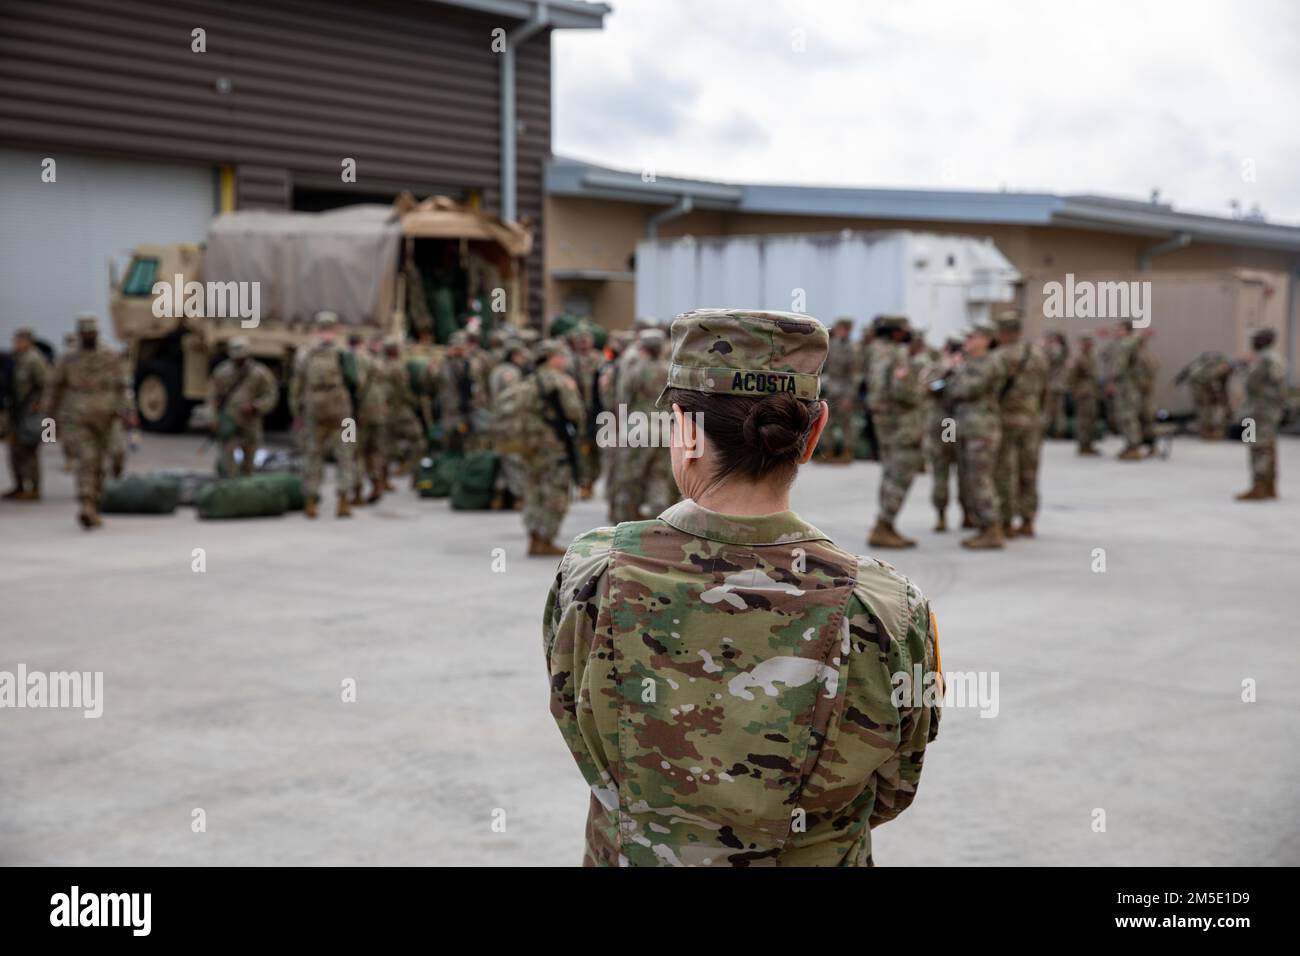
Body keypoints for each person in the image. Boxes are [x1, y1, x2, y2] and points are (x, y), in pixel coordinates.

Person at [544, 308, 940, 867]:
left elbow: (575, 726)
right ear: (815, 432)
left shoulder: (593, 571)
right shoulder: (886, 604)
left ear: (682, 430)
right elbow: (896, 785)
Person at [42, 314, 135, 528]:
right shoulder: (67, 359)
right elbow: (54, 387)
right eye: (85, 333)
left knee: (105, 461)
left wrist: (129, 411)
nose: (88, 336)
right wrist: (49, 418)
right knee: (87, 459)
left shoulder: (110, 356)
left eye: (91, 332)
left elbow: (123, 385)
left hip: (107, 416)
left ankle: (96, 500)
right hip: (78, 416)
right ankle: (87, 503)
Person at [290, 311, 356, 519]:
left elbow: (296, 385)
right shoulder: (344, 353)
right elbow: (356, 381)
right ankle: (343, 500)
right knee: (345, 455)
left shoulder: (305, 353)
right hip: (342, 414)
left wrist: (296, 412)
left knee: (313, 455)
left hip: (315, 411)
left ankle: (311, 500)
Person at [521, 339, 584, 556]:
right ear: (553, 358)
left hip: (532, 445)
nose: (565, 360)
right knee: (556, 491)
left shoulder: (529, 380)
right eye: (562, 356)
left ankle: (534, 536)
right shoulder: (560, 381)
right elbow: (574, 412)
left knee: (534, 489)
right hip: (555, 446)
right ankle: (546, 538)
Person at [866, 316, 924, 548]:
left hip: (882, 420)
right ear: (896, 332)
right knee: (901, 472)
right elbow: (903, 390)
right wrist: (921, 392)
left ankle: (885, 524)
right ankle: (884, 524)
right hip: (901, 422)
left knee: (890, 471)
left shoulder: (874, 350)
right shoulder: (898, 353)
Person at [947, 322, 1006, 549]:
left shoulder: (990, 363)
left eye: (972, 337)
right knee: (971, 479)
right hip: (969, 428)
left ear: (985, 340)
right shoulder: (971, 363)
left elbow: (966, 389)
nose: (967, 341)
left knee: (981, 480)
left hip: (982, 430)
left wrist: (957, 373)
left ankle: (992, 528)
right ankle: (984, 525)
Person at [607, 327, 675, 524]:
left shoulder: (634, 369)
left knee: (629, 479)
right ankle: (659, 522)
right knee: (660, 478)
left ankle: (624, 523)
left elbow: (623, 398)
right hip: (663, 429)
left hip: (638, 428)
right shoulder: (668, 370)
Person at [993, 310, 1049, 538]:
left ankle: (1006, 521)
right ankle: (1028, 520)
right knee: (1029, 471)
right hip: (1032, 420)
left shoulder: (998, 356)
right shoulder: (1037, 355)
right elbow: (1044, 389)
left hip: (1006, 421)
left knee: (1005, 471)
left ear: (1002, 332)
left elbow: (992, 391)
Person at [205, 335, 277, 477]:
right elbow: (212, 397)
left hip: (250, 424)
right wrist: (212, 419)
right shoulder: (222, 372)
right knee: (228, 460)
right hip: (229, 422)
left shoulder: (259, 374)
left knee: (249, 463)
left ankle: (245, 488)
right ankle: (230, 486)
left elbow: (270, 395)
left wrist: (256, 406)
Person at [1235, 328, 1286, 501]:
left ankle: (1259, 487)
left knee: (1256, 447)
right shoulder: (1276, 358)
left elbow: (1251, 383)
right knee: (1268, 447)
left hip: (1257, 411)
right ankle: (1270, 486)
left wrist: (1243, 369)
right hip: (1270, 411)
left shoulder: (1263, 360)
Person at [924, 336, 968, 530]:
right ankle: (941, 515)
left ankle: (968, 514)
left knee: (966, 473)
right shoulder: (938, 368)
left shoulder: (968, 369)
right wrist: (947, 370)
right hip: (944, 425)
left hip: (961, 425)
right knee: (941, 471)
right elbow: (929, 387)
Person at [4, 327, 50, 500]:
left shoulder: (34, 359)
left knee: (30, 450)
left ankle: (34, 488)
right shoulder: (16, 358)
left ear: (28, 341)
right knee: (15, 450)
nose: (16, 343)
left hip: (31, 413)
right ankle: (19, 485)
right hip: (17, 412)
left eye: (20, 340)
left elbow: (46, 384)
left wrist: (40, 406)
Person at [818, 316, 859, 463]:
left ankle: (847, 452)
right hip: (831, 387)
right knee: (828, 421)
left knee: (846, 423)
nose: (842, 332)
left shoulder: (853, 348)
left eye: (845, 329)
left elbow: (855, 375)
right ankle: (828, 451)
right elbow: (825, 366)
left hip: (845, 389)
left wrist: (850, 396)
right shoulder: (832, 345)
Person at [1068, 334, 1101, 456]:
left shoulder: (1092, 355)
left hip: (1091, 391)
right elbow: (1070, 376)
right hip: (1083, 392)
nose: (1089, 344)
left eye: (1090, 341)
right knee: (1083, 420)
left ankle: (1089, 443)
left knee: (1091, 418)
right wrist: (1075, 390)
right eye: (1086, 342)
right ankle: (1083, 444)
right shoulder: (1077, 357)